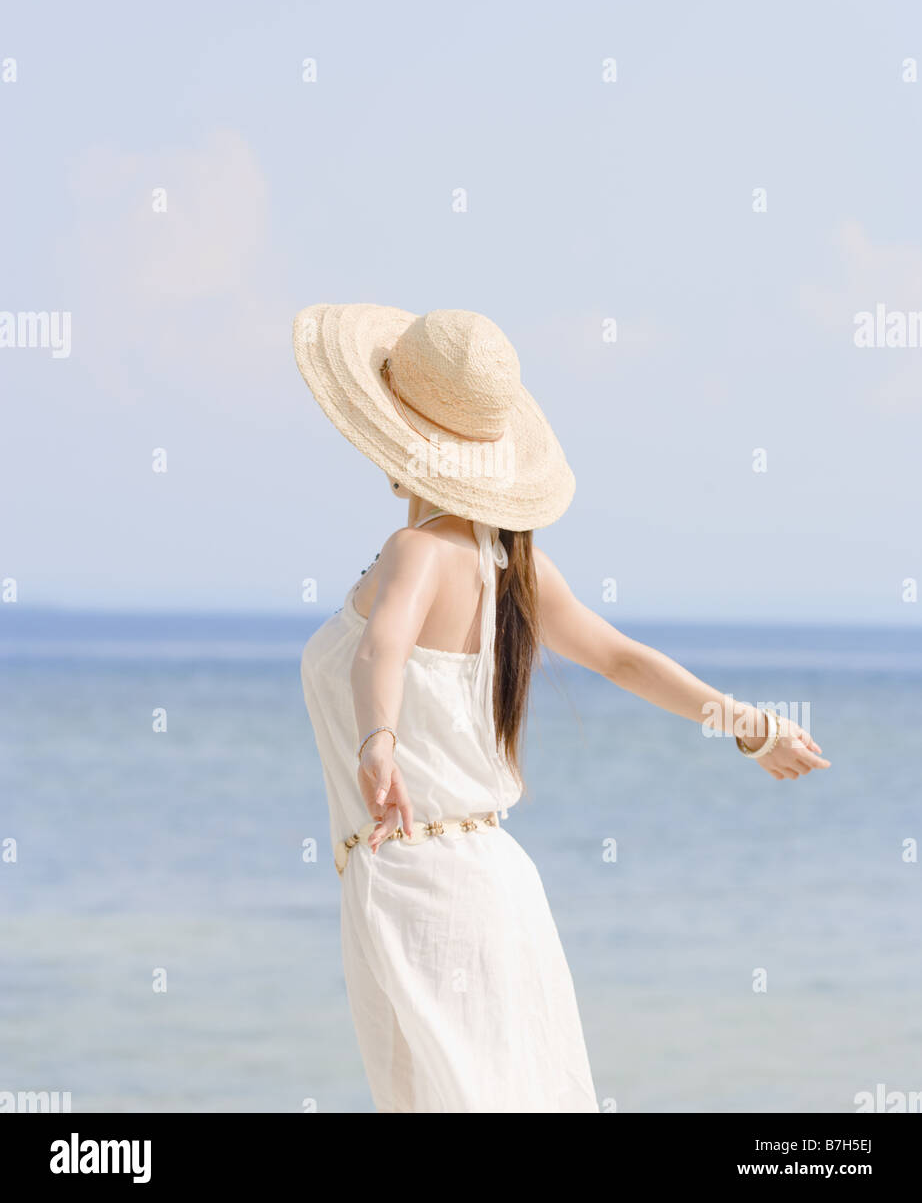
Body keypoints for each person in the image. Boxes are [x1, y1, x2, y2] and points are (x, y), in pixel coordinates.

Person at [293, 303, 830, 1114]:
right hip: (491, 880)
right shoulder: (511, 570)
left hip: (416, 878)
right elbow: (622, 658)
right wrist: (747, 725)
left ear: (395, 438)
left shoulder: (416, 552)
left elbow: (384, 650)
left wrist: (378, 741)